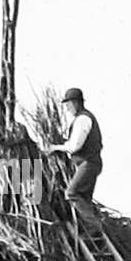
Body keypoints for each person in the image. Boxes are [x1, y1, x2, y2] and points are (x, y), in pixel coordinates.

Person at [45, 87, 103, 227]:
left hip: (88, 163)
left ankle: (94, 225)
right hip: (90, 163)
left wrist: (55, 147)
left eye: (68, 104)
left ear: (76, 103)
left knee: (72, 192)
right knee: (84, 198)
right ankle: (92, 227)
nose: (67, 108)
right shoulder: (84, 118)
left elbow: (74, 146)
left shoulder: (83, 119)